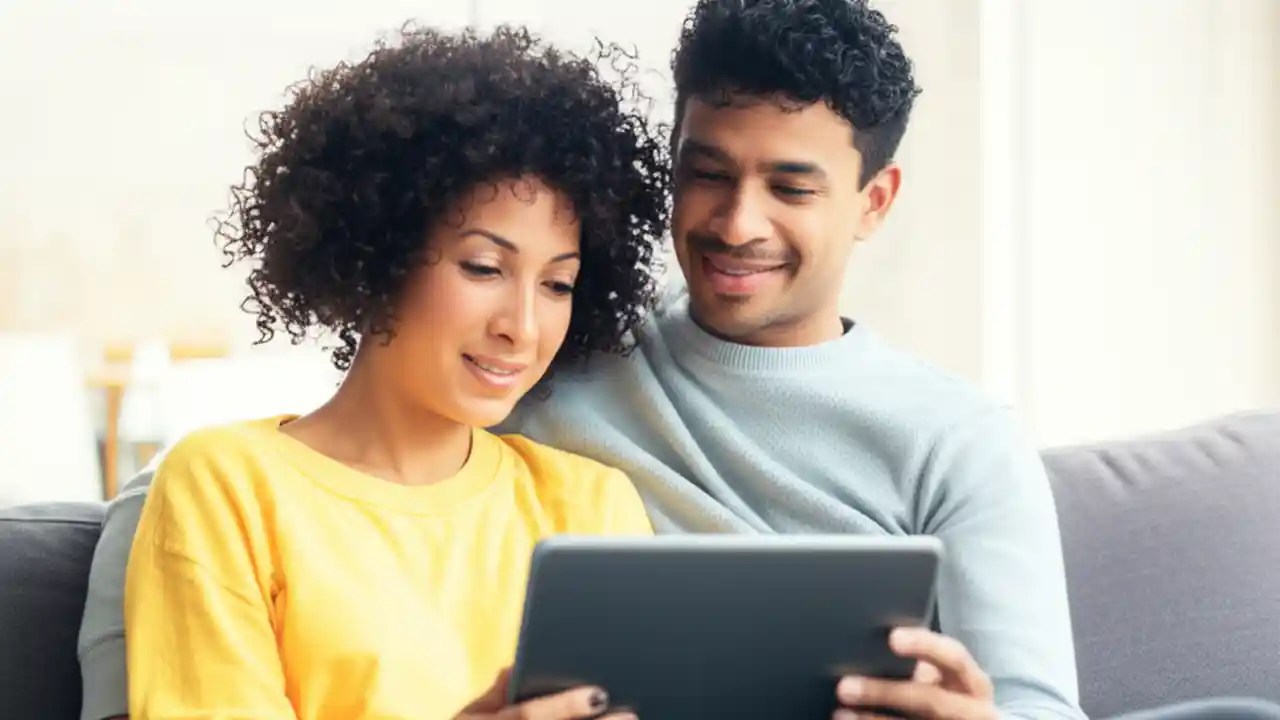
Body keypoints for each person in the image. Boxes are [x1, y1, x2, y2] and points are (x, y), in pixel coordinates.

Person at [78, 3, 1280, 720]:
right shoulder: (566, 369)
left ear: (874, 201)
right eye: (705, 169)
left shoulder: (952, 440)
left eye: (791, 184)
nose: (734, 221)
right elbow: (275, 484)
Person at [99, 23, 672, 720]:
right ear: (379, 255)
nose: (522, 326)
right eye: (484, 268)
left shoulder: (590, 509)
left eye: (557, 285)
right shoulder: (226, 487)